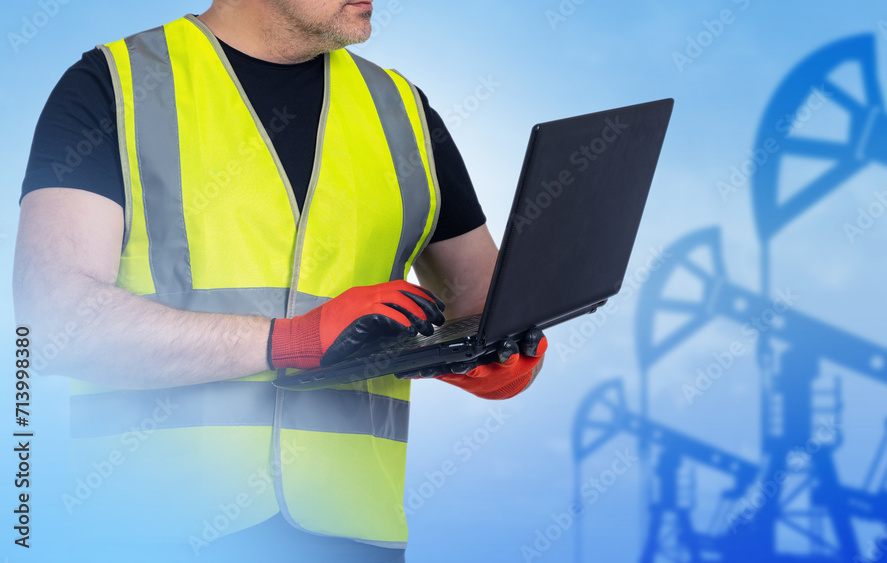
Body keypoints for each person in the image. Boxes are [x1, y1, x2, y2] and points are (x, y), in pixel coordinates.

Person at [12, 1, 546, 561]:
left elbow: (482, 302)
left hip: (352, 533)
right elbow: (52, 326)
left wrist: (495, 351)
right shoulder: (114, 85)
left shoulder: (402, 112)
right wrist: (291, 340)